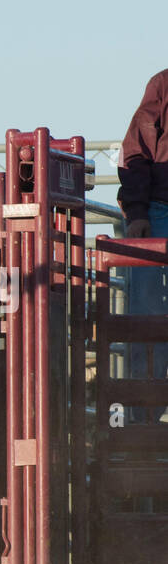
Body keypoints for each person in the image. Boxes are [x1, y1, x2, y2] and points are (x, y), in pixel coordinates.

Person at [117, 68, 168, 417]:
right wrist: (138, 212)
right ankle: (143, 430)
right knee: (148, 318)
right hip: (158, 212)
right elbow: (137, 148)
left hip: (155, 210)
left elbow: (136, 151)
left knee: (148, 317)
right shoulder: (163, 85)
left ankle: (143, 431)